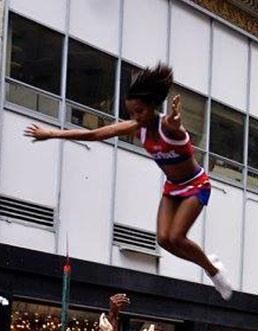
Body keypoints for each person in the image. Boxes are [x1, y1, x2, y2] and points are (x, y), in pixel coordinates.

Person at [24, 64, 234, 299]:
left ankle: (213, 270)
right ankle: (208, 261)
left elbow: (176, 125)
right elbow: (94, 135)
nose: (136, 117)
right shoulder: (137, 127)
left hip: (196, 184)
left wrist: (175, 120)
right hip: (173, 187)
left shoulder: (168, 127)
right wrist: (51, 134)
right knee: (164, 240)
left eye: (140, 111)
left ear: (152, 107)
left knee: (176, 236)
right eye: (132, 113)